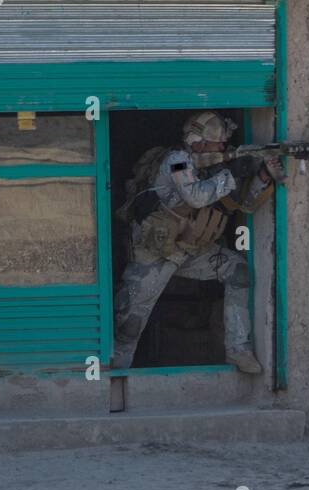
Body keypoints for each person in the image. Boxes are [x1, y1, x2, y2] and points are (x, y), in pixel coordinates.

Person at [112, 111, 283, 373]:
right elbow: (196, 197)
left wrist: (262, 176)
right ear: (199, 143)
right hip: (155, 254)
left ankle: (238, 349)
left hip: (190, 251)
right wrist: (233, 171)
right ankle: (115, 379)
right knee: (129, 325)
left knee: (238, 272)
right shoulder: (177, 160)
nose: (224, 147)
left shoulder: (216, 168)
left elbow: (246, 205)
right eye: (218, 143)